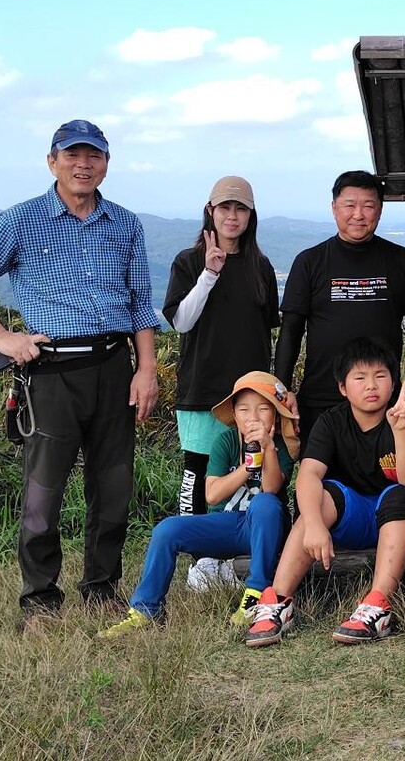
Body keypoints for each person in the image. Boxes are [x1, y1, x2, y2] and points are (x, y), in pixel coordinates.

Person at [0, 119, 159, 628]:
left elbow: (140, 305)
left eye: (94, 156)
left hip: (113, 367)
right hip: (51, 373)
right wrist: (2, 337)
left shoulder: (125, 223)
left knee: (114, 489)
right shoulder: (22, 220)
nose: (83, 165)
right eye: (72, 155)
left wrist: (146, 368)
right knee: (43, 494)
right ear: (52, 161)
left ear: (106, 163)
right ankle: (40, 600)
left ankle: (101, 588)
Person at [243, 337, 405, 648]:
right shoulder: (331, 421)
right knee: (323, 494)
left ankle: (377, 605)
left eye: (380, 376)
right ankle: (278, 600)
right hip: (357, 513)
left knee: (397, 494)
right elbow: (308, 474)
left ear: (392, 383)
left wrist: (401, 430)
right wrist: (315, 525)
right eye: (360, 378)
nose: (371, 386)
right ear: (343, 388)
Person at [99, 372, 296, 638]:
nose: (254, 417)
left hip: (265, 528)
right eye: (244, 409)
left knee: (265, 503)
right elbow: (212, 496)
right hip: (227, 524)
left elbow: (272, 487)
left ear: (275, 415)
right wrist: (248, 468)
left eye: (263, 409)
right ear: (235, 415)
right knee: (167, 529)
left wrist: (267, 448)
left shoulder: (281, 446)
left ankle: (257, 595)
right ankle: (146, 609)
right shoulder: (226, 441)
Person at [162, 175, 280, 592]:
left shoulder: (260, 267)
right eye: (225, 208)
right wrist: (210, 274)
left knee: (251, 470)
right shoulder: (188, 262)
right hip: (201, 391)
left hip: (250, 397)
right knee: (198, 476)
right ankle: (200, 560)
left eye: (241, 209)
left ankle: (238, 556)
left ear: (251, 216)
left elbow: (267, 330)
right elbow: (181, 321)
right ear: (210, 211)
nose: (232, 216)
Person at [275, 171, 405, 444]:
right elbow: (291, 330)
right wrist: (281, 389)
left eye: (368, 205)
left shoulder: (401, 260)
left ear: (380, 210)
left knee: (388, 478)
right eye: (350, 205)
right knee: (320, 478)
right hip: (321, 397)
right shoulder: (309, 262)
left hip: (382, 397)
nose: (358, 214)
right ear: (334, 208)